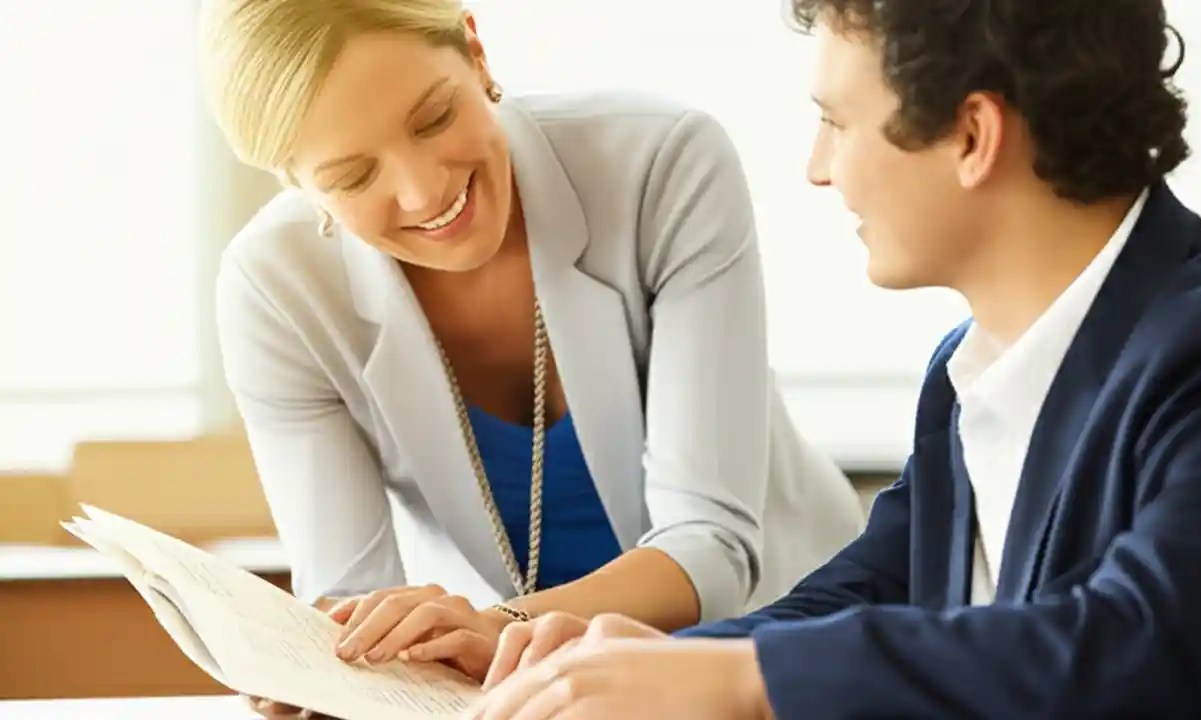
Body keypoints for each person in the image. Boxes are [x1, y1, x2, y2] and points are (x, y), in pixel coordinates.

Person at [474, 0, 1201, 717]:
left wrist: (747, 682)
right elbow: (869, 587)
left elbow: (1144, 647)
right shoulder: (965, 373)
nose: (818, 168)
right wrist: (627, 670)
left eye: (837, 121)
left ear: (973, 135)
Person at [198, 0, 865, 703]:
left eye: (433, 119)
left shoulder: (660, 161)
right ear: (295, 182)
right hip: (533, 691)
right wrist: (334, 666)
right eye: (352, 178)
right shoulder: (274, 289)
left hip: (779, 650)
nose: (424, 190)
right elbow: (352, 597)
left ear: (475, 51)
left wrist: (500, 628)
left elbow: (712, 544)